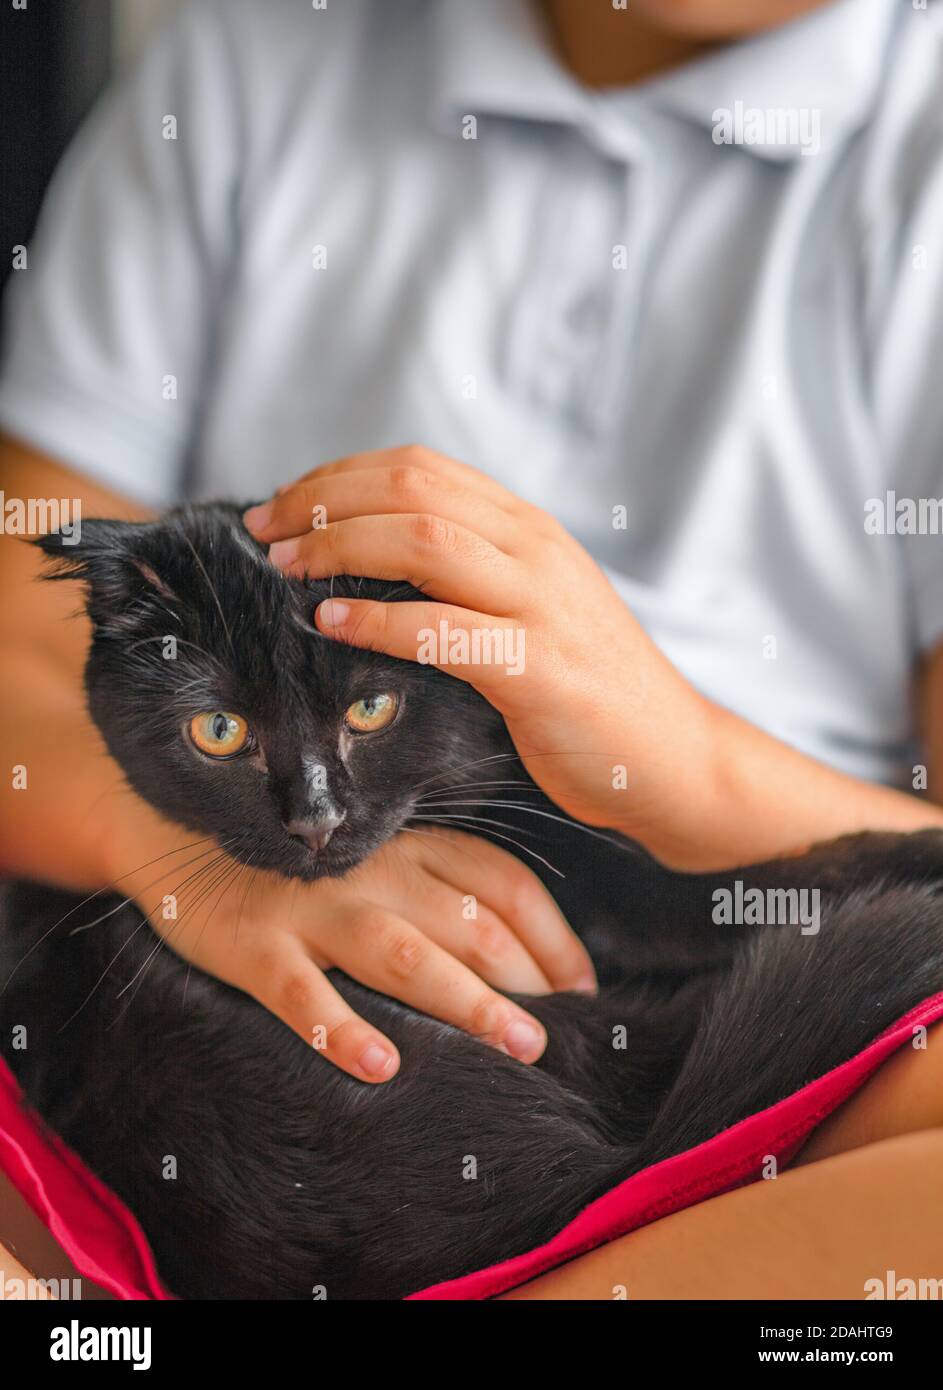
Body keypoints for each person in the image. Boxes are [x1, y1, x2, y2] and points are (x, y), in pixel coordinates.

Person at [2, 0, 942, 1297]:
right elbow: (22, 641)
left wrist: (693, 770)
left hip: (737, 984)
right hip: (189, 1061)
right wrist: (179, 857)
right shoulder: (251, 61)